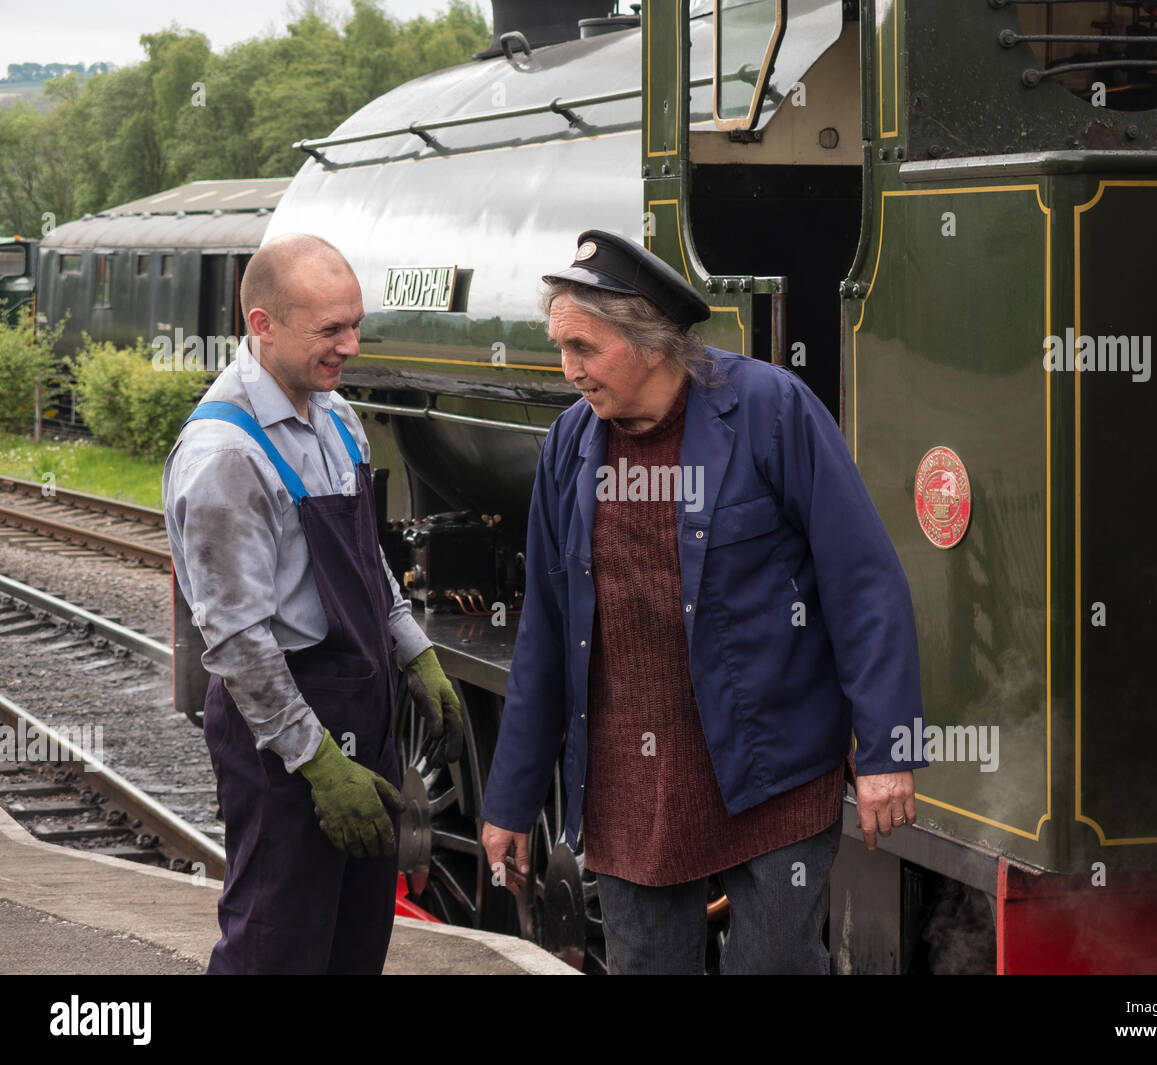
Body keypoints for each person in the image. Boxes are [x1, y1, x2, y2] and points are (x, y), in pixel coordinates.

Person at [479, 230, 926, 975]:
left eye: (584, 347)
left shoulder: (770, 410)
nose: (569, 370)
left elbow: (864, 581)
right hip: (629, 780)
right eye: (561, 347)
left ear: (651, 341)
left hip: (772, 763)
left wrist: (890, 750)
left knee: (777, 965)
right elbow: (546, 635)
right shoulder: (568, 447)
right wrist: (510, 800)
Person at [163, 233, 462, 974]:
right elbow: (236, 639)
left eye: (354, 324)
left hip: (361, 714)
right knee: (276, 948)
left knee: (353, 948)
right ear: (262, 324)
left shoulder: (337, 420)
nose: (350, 345)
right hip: (284, 743)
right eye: (330, 329)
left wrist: (413, 648)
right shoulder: (226, 454)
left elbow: (366, 562)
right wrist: (317, 762)